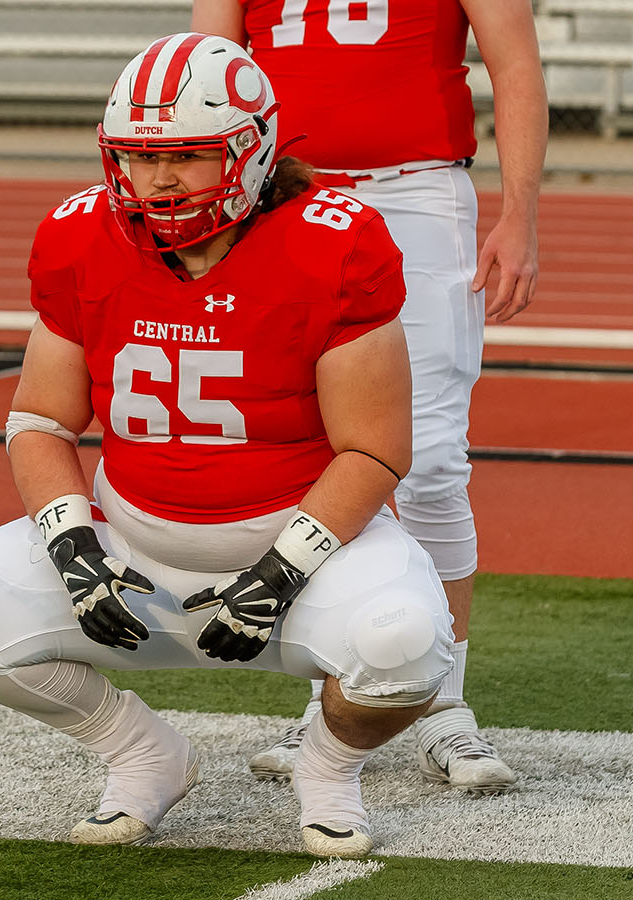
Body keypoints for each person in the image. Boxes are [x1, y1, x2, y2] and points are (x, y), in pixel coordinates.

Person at [0, 33, 455, 858]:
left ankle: (328, 770)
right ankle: (142, 754)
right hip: (134, 545)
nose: (159, 180)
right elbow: (41, 420)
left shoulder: (332, 242)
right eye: (140, 157)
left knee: (406, 646)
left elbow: (374, 450)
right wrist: (73, 548)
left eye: (187, 156)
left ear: (252, 151)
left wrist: (281, 572)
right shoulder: (80, 236)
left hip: (301, 552)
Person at [192, 0, 547, 793]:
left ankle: (444, 703)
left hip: (417, 192)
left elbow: (515, 63)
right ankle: (335, 694)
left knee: (432, 461)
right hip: (282, 198)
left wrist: (520, 211)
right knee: (312, 457)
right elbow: (206, 71)